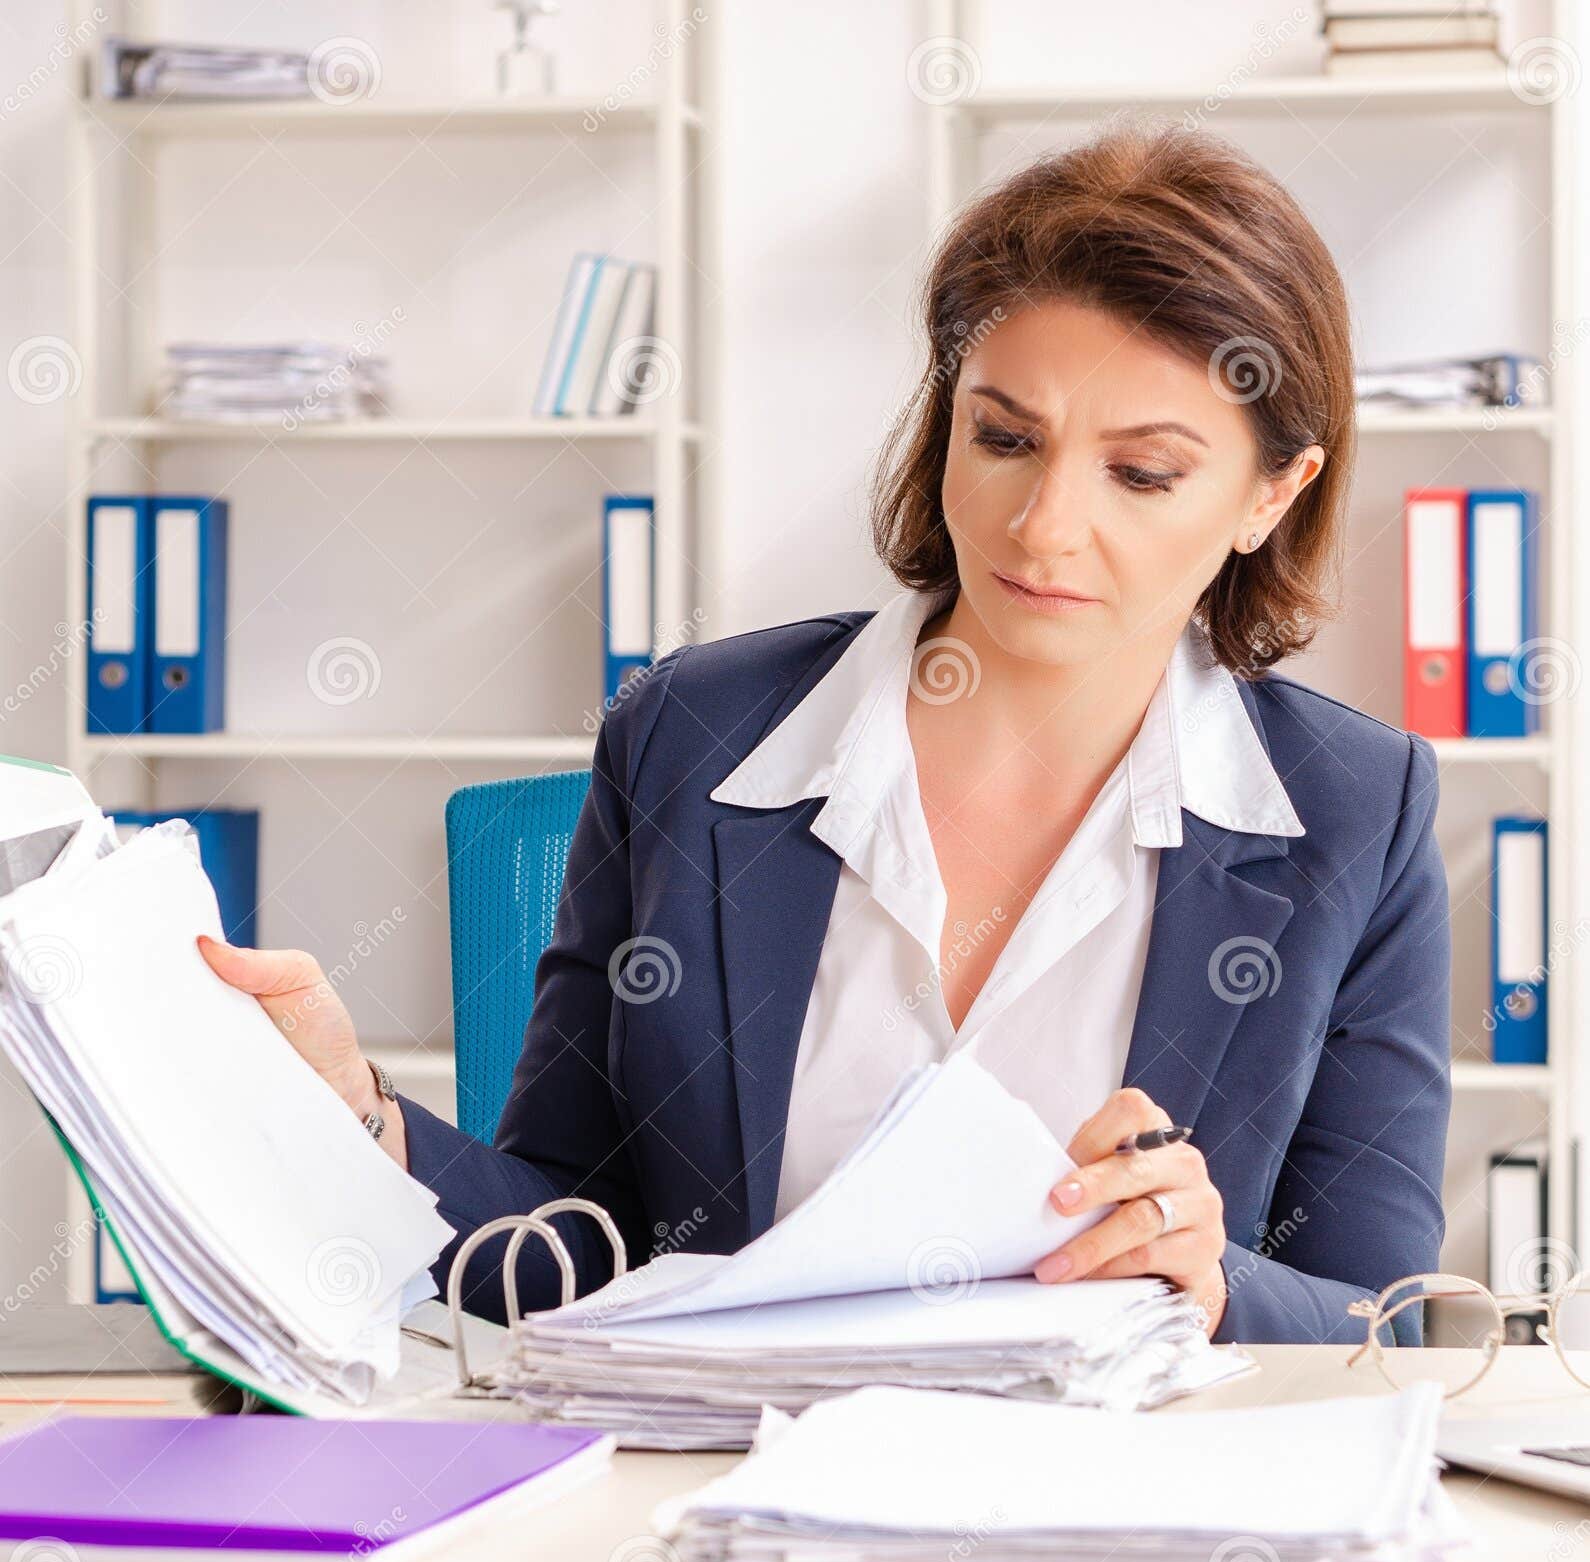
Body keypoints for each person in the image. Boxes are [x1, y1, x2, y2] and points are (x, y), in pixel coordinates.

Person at [202, 118, 1450, 1346]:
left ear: (1271, 493)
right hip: (729, 1492)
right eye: (1005, 437)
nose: (1045, 525)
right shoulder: (689, 739)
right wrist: (358, 1116)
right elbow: (571, 1241)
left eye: (1143, 473)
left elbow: (1382, 1321)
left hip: (1125, 1515)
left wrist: (1215, 1280)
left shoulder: (1355, 809)